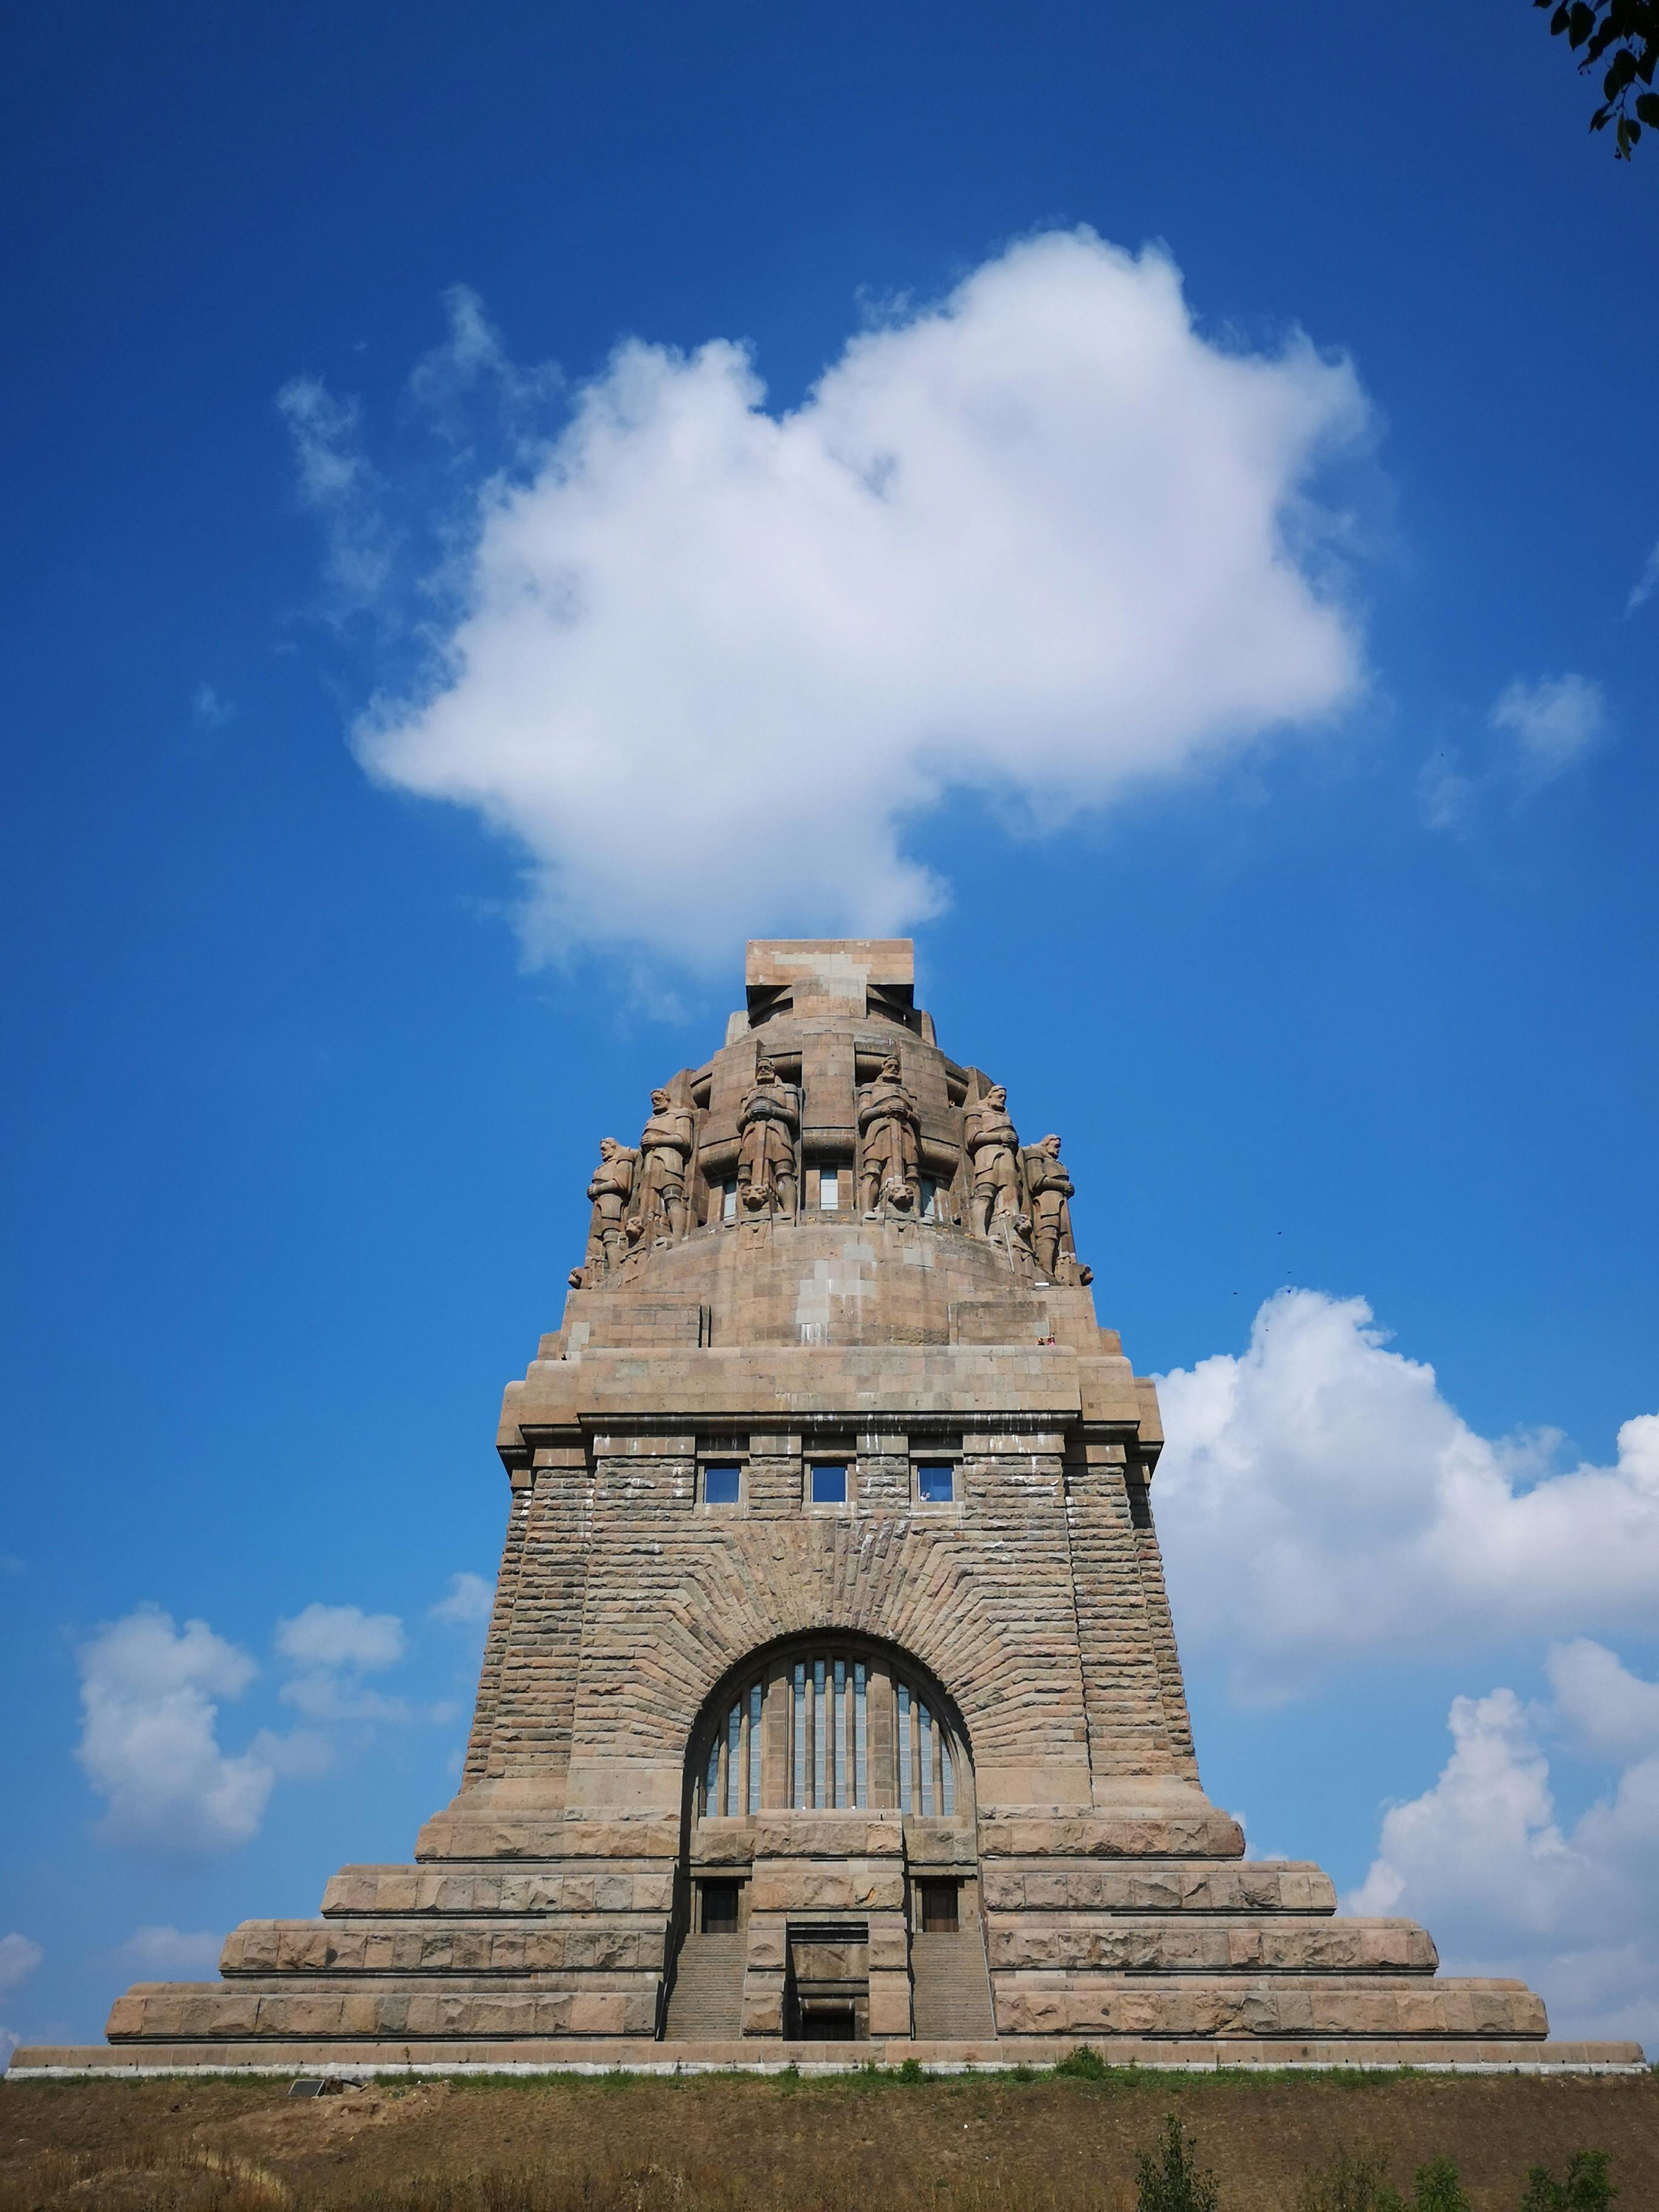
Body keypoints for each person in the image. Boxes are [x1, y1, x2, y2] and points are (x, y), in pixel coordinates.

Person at [857, 1054, 920, 1214]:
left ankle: (917, 1213)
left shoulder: (908, 1092)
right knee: (872, 1170)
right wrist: (884, 1110)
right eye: (890, 1066)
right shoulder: (870, 1089)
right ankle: (868, 1212)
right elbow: (864, 1115)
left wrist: (906, 1113)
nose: (893, 1069)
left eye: (896, 1067)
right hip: (879, 1131)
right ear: (883, 1067)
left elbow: (917, 1120)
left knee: (912, 1174)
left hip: (906, 1133)